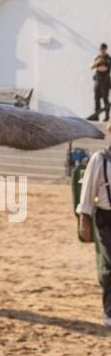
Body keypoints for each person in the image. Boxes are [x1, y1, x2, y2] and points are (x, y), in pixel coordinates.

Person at [75, 140, 111, 328]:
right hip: (106, 218)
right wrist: (84, 218)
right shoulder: (100, 160)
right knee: (109, 263)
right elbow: (87, 190)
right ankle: (108, 311)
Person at [88, 43, 111, 122]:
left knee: (105, 99)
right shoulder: (98, 57)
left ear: (105, 49)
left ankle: (107, 116)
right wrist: (98, 61)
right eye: (101, 49)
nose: (102, 50)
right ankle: (96, 116)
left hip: (105, 81)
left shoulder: (108, 58)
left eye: (103, 49)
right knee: (96, 98)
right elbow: (91, 67)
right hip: (98, 79)